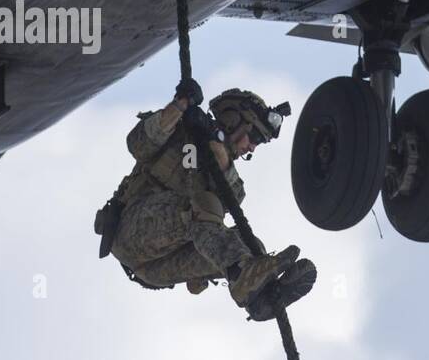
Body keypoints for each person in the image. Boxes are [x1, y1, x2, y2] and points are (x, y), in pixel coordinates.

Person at [103, 79, 312, 312]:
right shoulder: (179, 130)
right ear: (234, 121)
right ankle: (243, 275)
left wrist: (217, 149)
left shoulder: (226, 175)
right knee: (199, 206)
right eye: (253, 137)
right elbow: (137, 144)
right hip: (133, 236)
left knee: (249, 245)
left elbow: (233, 199)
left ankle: (261, 295)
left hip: (159, 269)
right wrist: (181, 105)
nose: (252, 147)